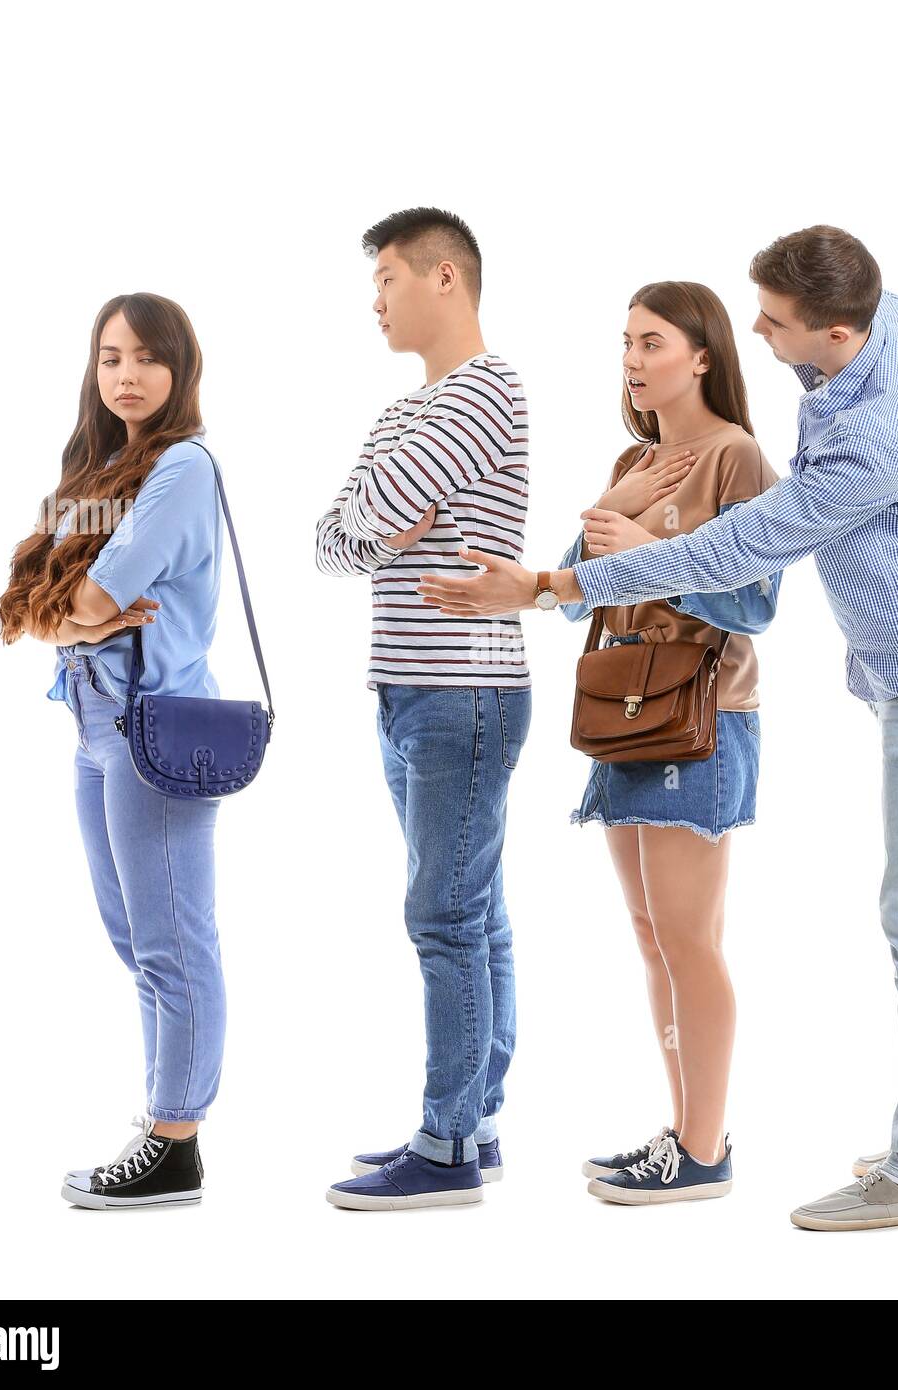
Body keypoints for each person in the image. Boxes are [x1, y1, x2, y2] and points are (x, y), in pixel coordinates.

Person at [416, 225, 898, 1231]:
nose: (756, 327)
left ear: (836, 328)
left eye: (773, 321)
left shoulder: (848, 446)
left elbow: (746, 560)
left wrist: (557, 580)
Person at [315, 207, 531, 1211]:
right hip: (407, 683)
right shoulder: (409, 409)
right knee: (471, 911)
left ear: (446, 278)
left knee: (443, 914)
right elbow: (336, 534)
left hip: (463, 686)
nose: (376, 299)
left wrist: (379, 520)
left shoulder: (487, 391)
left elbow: (380, 507)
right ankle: (475, 1122)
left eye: (389, 278)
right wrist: (376, 524)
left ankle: (445, 1146)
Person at [0, 292, 227, 1209]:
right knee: (136, 940)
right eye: (109, 358)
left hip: (152, 725)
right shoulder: (96, 471)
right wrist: (69, 612)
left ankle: (176, 1142)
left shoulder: (181, 470)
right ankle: (163, 1127)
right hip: (92, 728)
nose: (126, 376)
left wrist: (73, 610)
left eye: (146, 358)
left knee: (175, 941)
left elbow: (92, 601)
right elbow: (27, 601)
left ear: (180, 368)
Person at [553, 281, 781, 1203]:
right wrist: (616, 503)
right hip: (626, 709)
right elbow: (574, 584)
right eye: (627, 343)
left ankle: (704, 1148)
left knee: (690, 937)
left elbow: (756, 602)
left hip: (702, 714)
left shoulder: (736, 458)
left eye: (653, 342)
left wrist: (644, 534)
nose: (635, 360)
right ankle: (686, 1131)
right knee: (653, 936)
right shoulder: (636, 457)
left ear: (702, 355)